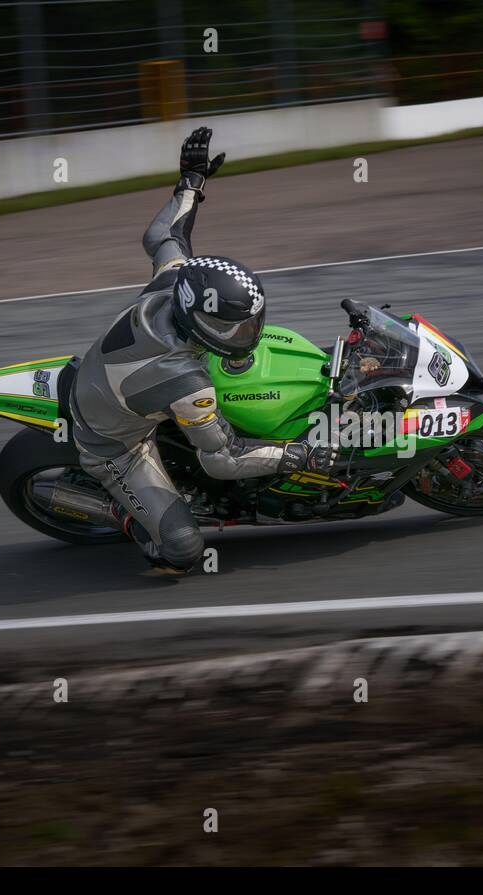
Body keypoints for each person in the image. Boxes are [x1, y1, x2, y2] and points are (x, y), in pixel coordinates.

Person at [70, 127, 337, 575]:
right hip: (116, 445)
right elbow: (224, 460)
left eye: (250, 319)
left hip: (126, 381)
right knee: (184, 549)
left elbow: (163, 235)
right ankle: (125, 516)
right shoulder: (184, 382)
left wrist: (191, 181)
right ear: (199, 318)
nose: (245, 331)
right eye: (231, 325)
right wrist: (299, 455)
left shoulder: (173, 281)